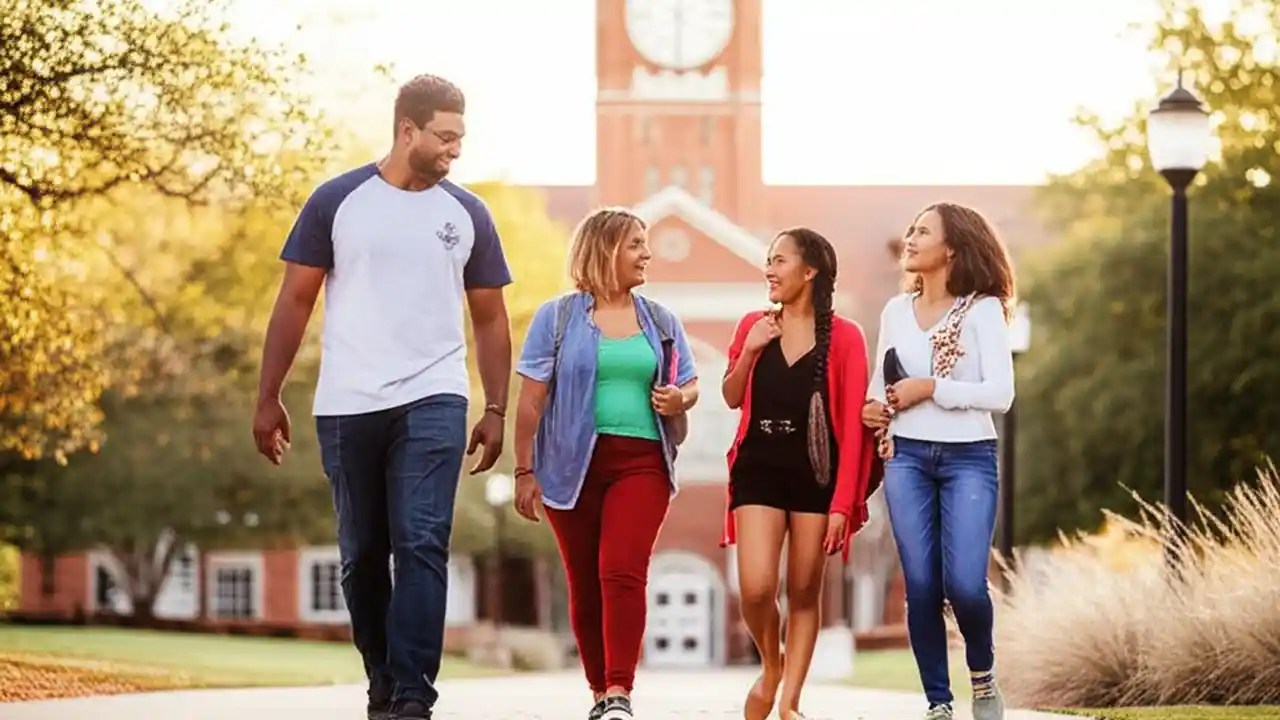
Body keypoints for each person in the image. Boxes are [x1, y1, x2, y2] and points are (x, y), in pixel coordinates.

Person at [251, 74, 512, 720]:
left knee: (421, 540)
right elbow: (294, 301)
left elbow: (489, 318)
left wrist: (497, 408)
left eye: (461, 137)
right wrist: (268, 395)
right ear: (407, 131)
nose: (455, 149)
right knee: (361, 553)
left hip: (435, 396)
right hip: (348, 401)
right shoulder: (337, 201)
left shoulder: (467, 213)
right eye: (445, 137)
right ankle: (382, 679)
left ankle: (414, 697)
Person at [511, 207, 699, 720]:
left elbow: (691, 381)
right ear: (605, 249)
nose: (647, 254)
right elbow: (530, 401)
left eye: (646, 243)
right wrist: (524, 469)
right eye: (636, 244)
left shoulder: (659, 319)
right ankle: (598, 692)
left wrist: (680, 399)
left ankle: (620, 691)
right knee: (584, 580)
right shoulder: (558, 318)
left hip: (642, 461)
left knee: (621, 569)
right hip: (570, 466)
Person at [862, 202, 1016, 720]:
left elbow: (1001, 393)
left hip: (968, 458)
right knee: (922, 585)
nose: (909, 238)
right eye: (910, 229)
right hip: (905, 457)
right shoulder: (893, 311)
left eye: (922, 231)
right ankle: (939, 702)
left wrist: (930, 388)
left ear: (951, 248)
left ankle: (984, 676)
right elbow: (878, 386)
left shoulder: (982, 310)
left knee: (967, 586)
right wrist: (873, 408)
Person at [720, 228, 879, 720]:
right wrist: (750, 349)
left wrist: (842, 504)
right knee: (756, 588)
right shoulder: (754, 324)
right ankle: (772, 665)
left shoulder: (846, 336)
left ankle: (789, 701)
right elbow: (730, 396)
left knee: (806, 591)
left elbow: (854, 432)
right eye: (768, 260)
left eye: (779, 260)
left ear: (809, 271)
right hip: (759, 469)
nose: (769, 268)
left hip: (817, 474)